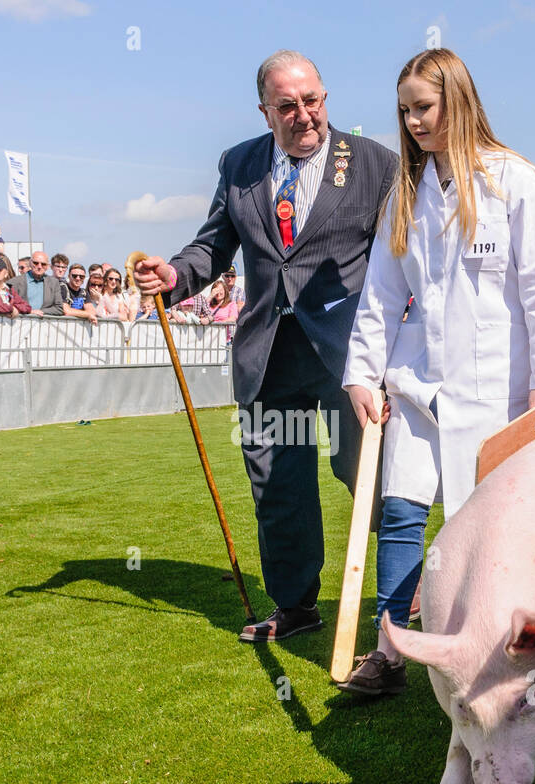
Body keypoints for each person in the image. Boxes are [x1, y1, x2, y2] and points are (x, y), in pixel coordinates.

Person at [133, 49, 398, 644]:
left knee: (371, 479)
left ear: (325, 96)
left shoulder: (376, 164)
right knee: (279, 485)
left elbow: (401, 258)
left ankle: (399, 604)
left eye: (313, 100)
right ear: (265, 111)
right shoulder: (238, 164)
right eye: (288, 106)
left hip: (348, 355)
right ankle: (296, 605)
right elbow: (212, 245)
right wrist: (175, 276)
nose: (305, 116)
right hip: (268, 354)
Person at [336, 48, 535, 695]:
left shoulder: (516, 182)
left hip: (499, 388)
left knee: (485, 522)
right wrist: (361, 372)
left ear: (457, 101)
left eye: (424, 107)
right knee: (403, 508)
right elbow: (380, 294)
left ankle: (486, 646)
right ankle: (390, 649)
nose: (412, 121)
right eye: (405, 110)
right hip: (416, 380)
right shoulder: (404, 195)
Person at [11, 251, 66, 315]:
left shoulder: (54, 283)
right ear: (30, 263)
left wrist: (40, 312)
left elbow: (59, 308)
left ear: (48, 266)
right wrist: (29, 311)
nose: (39, 266)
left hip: (45, 323)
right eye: (36, 263)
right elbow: (8, 304)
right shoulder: (14, 282)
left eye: (43, 264)